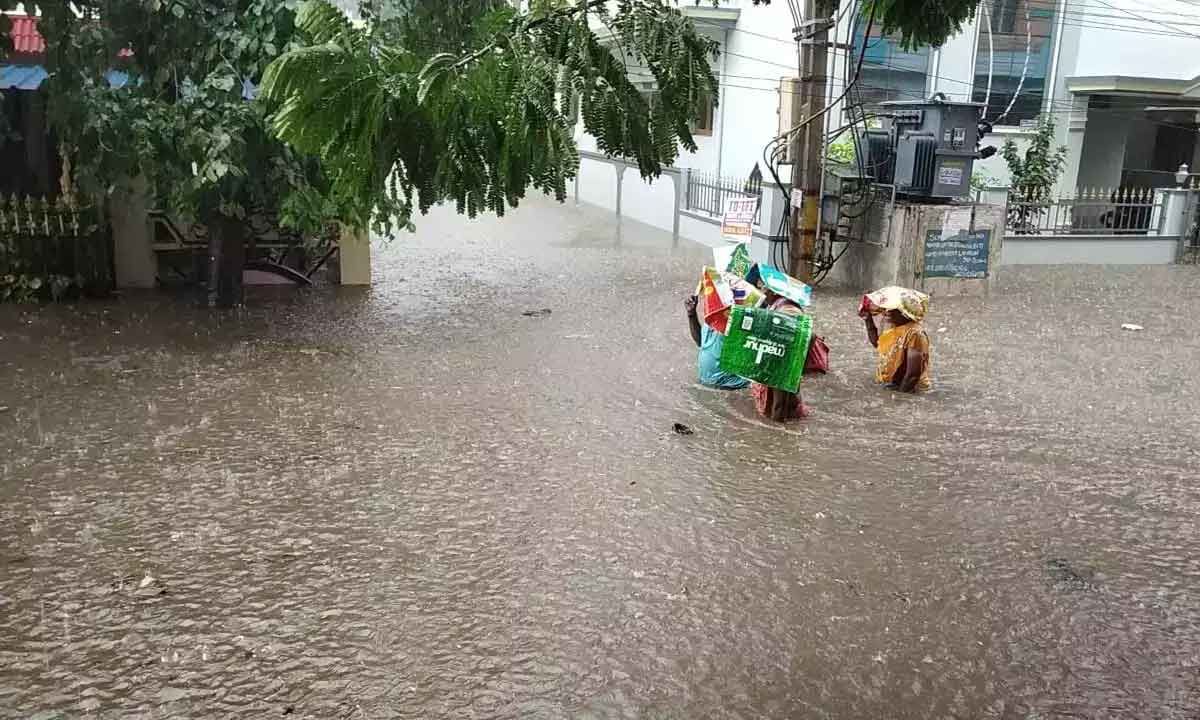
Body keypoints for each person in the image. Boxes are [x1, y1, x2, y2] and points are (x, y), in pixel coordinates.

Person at [750, 293, 810, 421]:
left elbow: (778, 409)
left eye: (765, 289)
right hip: (785, 356)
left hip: (782, 359)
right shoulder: (781, 305)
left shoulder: (787, 308)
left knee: (780, 404)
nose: (762, 292)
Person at [861, 287, 932, 392]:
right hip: (893, 384)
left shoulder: (915, 334)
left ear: (905, 311)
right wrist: (868, 319)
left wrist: (898, 400)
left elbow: (913, 375)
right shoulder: (895, 327)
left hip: (910, 388)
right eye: (886, 308)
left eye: (892, 308)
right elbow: (879, 344)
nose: (886, 312)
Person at [685, 294, 749, 390]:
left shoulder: (736, 317)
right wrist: (691, 315)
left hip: (728, 387)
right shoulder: (712, 316)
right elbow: (701, 342)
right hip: (707, 383)